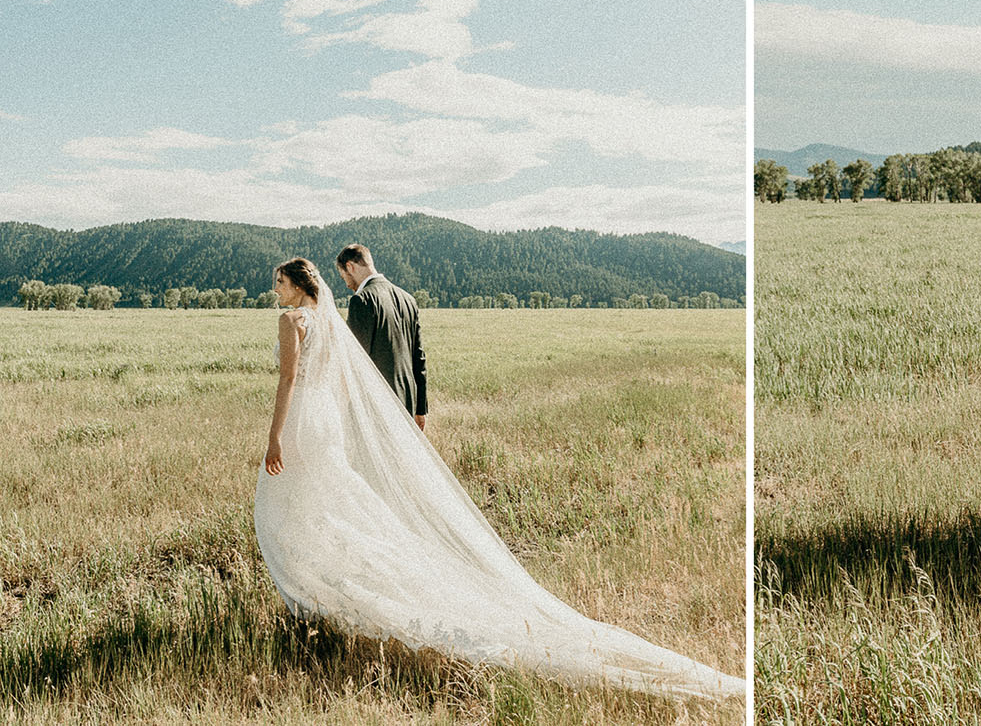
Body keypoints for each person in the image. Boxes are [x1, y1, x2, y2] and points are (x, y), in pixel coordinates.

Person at [254, 257, 744, 699]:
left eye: (279, 282)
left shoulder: (292, 320)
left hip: (302, 418)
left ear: (298, 285)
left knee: (294, 503)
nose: (275, 290)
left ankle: (317, 597)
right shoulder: (338, 320)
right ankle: (330, 590)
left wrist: (276, 436)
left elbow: (288, 379)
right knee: (334, 500)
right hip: (330, 423)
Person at [337, 244, 426, 431]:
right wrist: (420, 408)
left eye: (342, 275)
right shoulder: (408, 299)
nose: (345, 283)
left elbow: (354, 361)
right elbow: (419, 358)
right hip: (408, 400)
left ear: (350, 267)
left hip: (376, 404)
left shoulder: (361, 300)